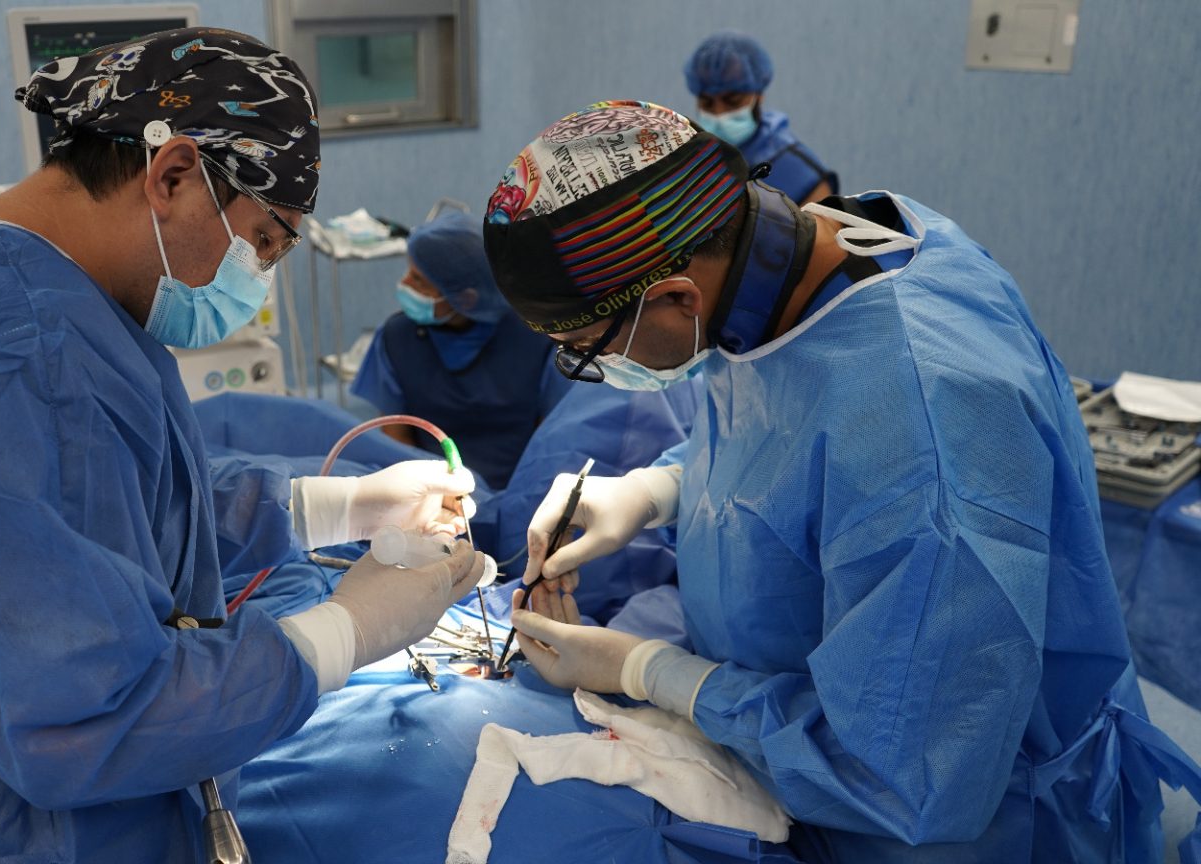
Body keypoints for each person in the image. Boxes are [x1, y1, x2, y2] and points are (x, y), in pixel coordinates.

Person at [0, 28, 487, 862]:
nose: (257, 276)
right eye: (263, 240)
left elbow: (100, 505)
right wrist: (345, 633)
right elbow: (84, 716)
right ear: (172, 176)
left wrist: (340, 504)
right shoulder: (16, 362)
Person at [482, 100, 1201, 862]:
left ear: (676, 298)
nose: (588, 371)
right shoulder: (801, 257)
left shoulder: (925, 422)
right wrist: (653, 493)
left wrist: (647, 669)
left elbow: (912, 774)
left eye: (584, 349)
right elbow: (795, 446)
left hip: (967, 824)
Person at [351, 210, 571, 488]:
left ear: (466, 299)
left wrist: (523, 495)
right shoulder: (397, 338)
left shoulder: (536, 338)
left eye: (419, 280)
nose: (404, 284)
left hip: (522, 486)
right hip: (430, 486)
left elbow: (552, 435)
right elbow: (396, 436)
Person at [685, 31, 837, 204]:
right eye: (707, 103)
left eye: (733, 102)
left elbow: (825, 230)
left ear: (759, 95)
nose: (719, 114)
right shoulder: (689, 160)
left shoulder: (800, 174)